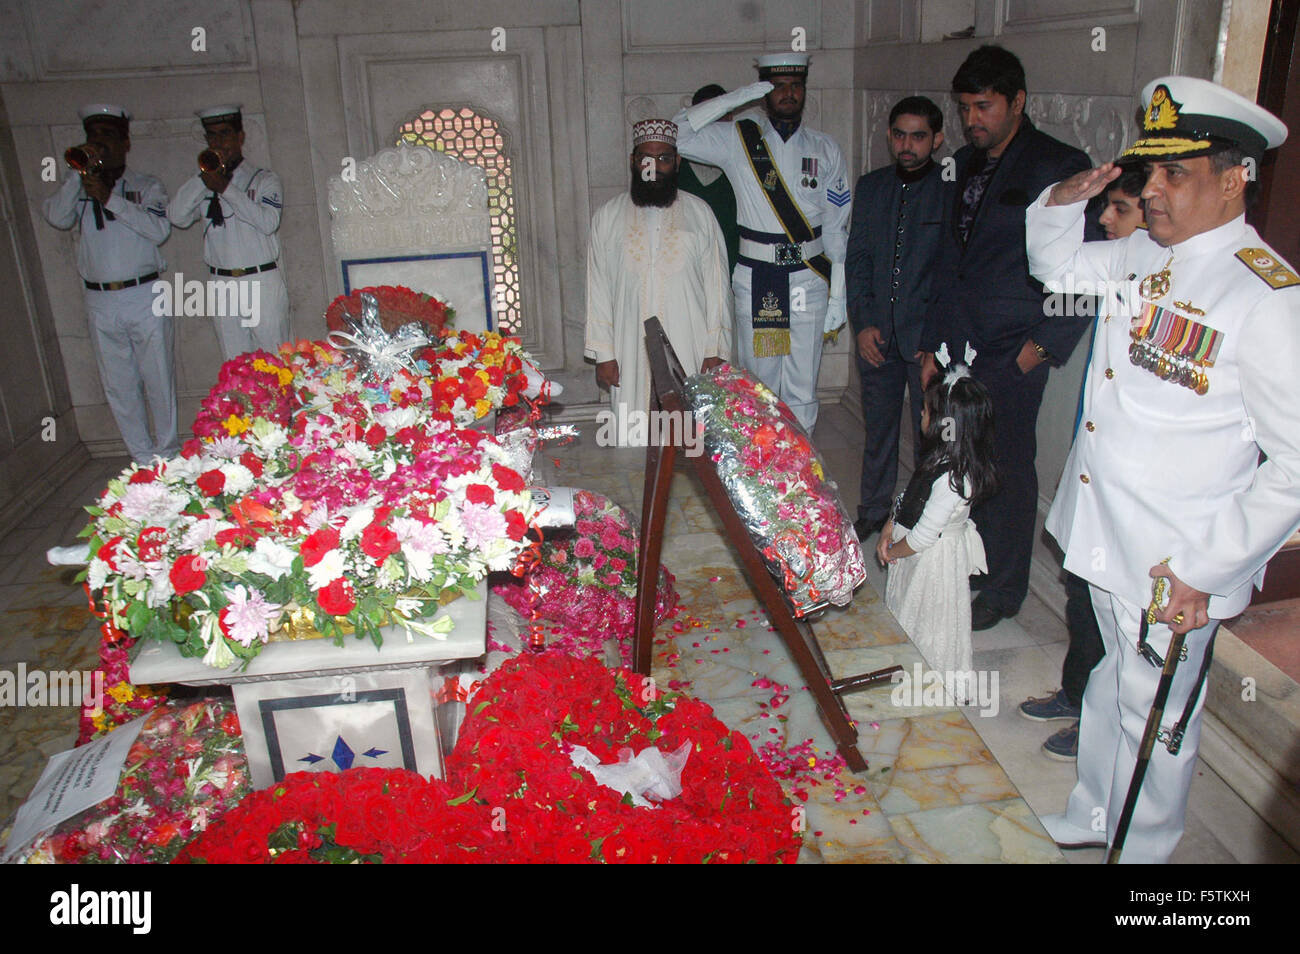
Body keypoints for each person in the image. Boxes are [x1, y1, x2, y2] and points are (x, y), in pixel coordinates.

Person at [1027, 75, 1299, 863]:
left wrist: (1205, 570)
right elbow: (1058, 272)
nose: (1151, 191)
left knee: (1161, 718)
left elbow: (1291, 467)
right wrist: (1058, 202)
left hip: (1174, 557)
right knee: (1117, 680)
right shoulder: (1149, 251)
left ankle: (1142, 857)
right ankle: (1095, 811)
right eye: (1150, 172)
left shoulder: (1266, 295)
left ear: (1233, 177)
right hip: (1110, 528)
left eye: (1174, 174)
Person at [920, 45, 1096, 632]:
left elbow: (1083, 268)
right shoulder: (966, 164)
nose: (973, 119)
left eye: (985, 106)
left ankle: (1003, 589)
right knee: (952, 456)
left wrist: (1040, 348)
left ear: (1018, 102)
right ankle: (965, 562)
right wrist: (929, 344)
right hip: (957, 343)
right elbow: (952, 259)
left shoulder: (1060, 163)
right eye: (967, 107)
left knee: (1008, 466)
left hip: (1015, 347)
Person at [1020, 163, 1147, 761]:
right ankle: (1078, 693)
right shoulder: (1123, 261)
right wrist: (1063, 196)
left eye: (1120, 208)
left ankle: (1100, 721)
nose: (1105, 218)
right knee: (1080, 589)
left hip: (1141, 496)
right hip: (1095, 464)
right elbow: (1052, 265)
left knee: (1117, 619)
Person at [673, 53, 851, 431]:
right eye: (778, 87)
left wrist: (839, 293)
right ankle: (765, 469)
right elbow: (674, 133)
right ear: (765, 93)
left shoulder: (825, 148)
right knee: (760, 386)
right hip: (758, 277)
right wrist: (735, 99)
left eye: (795, 86)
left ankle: (800, 470)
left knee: (803, 386)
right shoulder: (737, 140)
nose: (788, 94)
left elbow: (837, 228)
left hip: (808, 276)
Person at [42, 104, 176, 464]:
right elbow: (55, 216)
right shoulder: (80, 186)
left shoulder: (146, 185)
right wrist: (78, 175)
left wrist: (109, 197)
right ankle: (141, 460)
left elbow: (159, 229)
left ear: (125, 143)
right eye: (93, 138)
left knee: (158, 377)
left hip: (144, 293)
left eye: (108, 138)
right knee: (119, 385)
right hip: (100, 298)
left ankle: (166, 454)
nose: (99, 145)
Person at [847, 95, 952, 540]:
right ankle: (873, 510)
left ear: (938, 139)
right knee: (879, 428)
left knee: (930, 434)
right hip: (879, 335)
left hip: (926, 341)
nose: (907, 145)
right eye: (899, 135)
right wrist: (863, 325)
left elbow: (950, 270)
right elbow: (859, 260)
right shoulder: (872, 186)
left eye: (918, 136)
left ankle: (920, 518)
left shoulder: (950, 189)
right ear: (889, 136)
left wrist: (935, 340)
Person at [584, 118, 732, 435]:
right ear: (634, 161)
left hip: (689, 344)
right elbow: (598, 289)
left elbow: (718, 287)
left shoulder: (700, 213)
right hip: (628, 345)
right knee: (631, 432)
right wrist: (604, 354)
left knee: (691, 437)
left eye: (664, 158)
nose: (655, 166)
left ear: (676, 162)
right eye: (646, 158)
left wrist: (715, 349)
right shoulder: (607, 217)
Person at [876, 351, 996, 685]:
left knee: (930, 619)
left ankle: (929, 678)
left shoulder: (954, 479)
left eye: (927, 410)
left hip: (931, 560)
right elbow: (910, 498)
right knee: (908, 610)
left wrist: (892, 550)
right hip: (914, 554)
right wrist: (890, 525)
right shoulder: (940, 458)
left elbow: (922, 538)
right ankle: (905, 663)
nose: (921, 413)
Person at [169, 104, 288, 360]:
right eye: (212, 136)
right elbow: (176, 216)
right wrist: (202, 179)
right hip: (221, 283)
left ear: (240, 137)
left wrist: (226, 188)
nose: (219, 142)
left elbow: (268, 222)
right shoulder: (202, 182)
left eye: (225, 134)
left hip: (260, 280)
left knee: (275, 362)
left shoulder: (264, 179)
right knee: (234, 366)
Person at [677, 85, 740, 277]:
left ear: (729, 117)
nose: (713, 123)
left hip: (735, 273)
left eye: (719, 115)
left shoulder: (743, 166)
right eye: (707, 115)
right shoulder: (675, 168)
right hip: (689, 275)